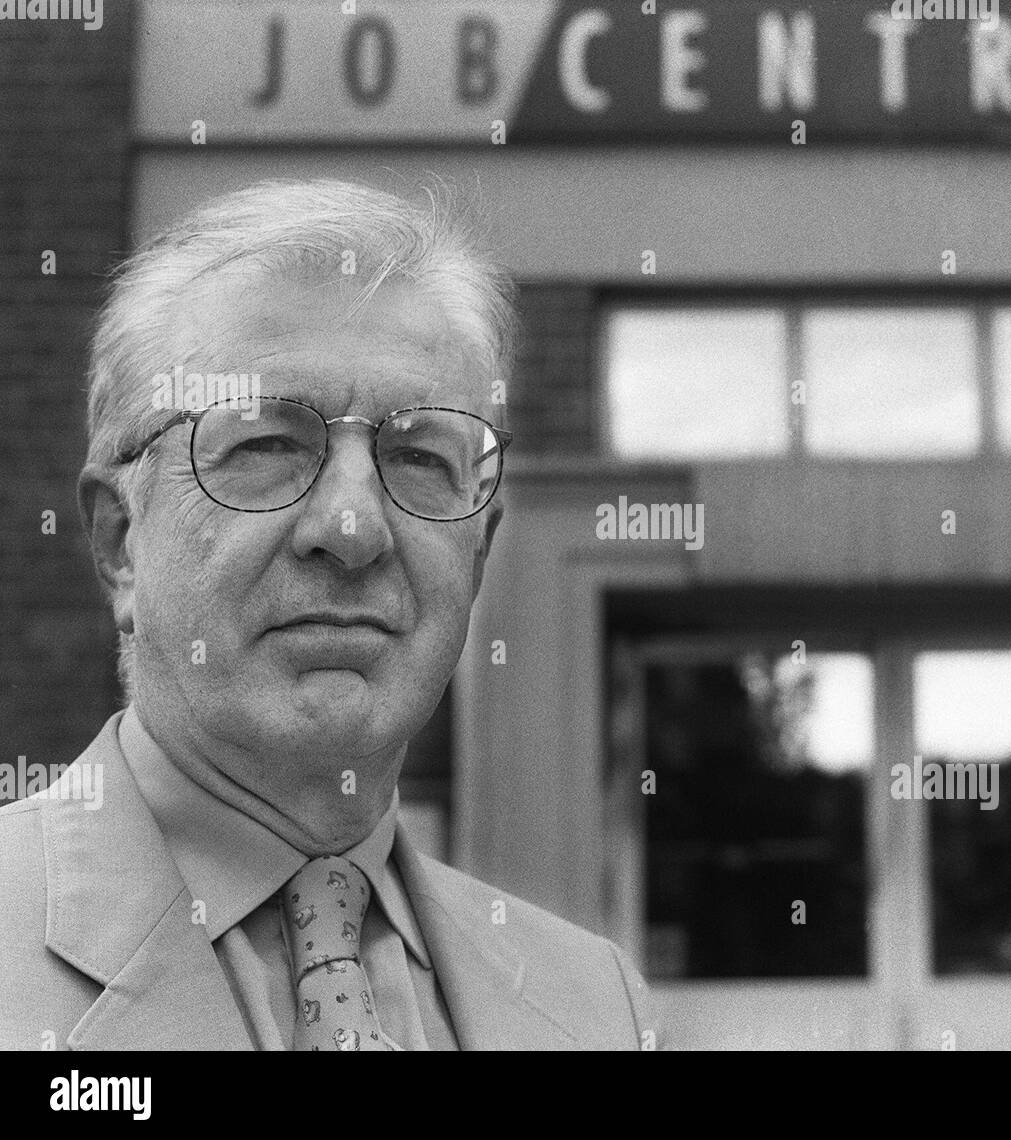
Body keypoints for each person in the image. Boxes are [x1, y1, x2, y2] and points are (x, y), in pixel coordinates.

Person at [0, 179, 656, 1051]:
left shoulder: (597, 1007)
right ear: (121, 541)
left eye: (420, 454)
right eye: (267, 445)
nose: (352, 527)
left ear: (480, 546)